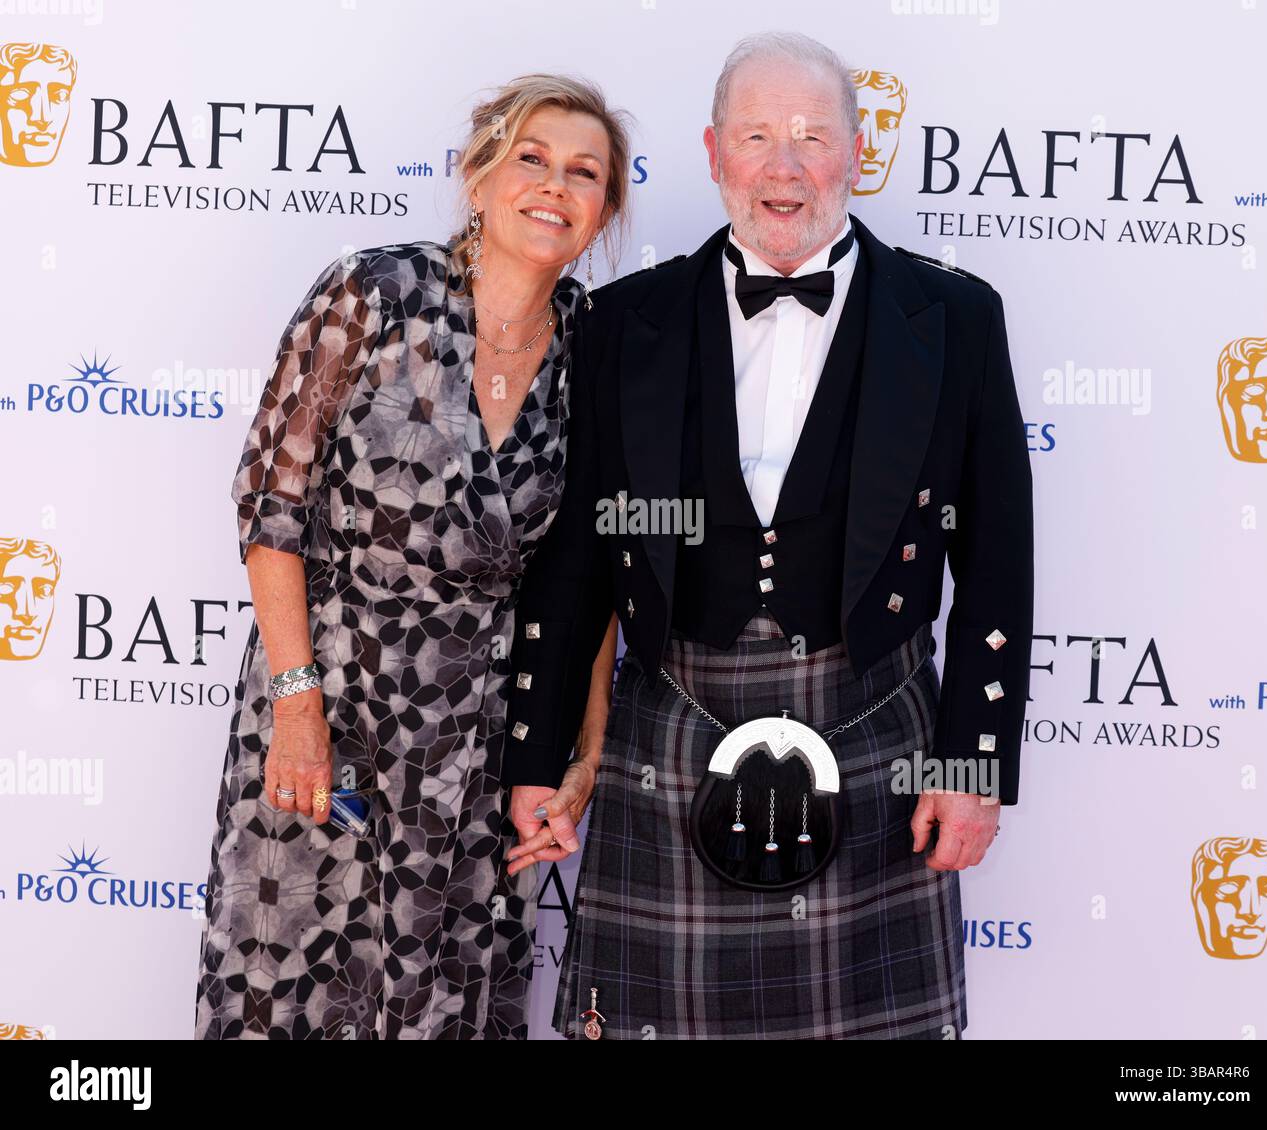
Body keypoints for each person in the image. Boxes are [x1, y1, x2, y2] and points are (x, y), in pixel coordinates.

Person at [504, 31, 1034, 1040]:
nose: (783, 169)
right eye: (755, 137)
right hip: (668, 731)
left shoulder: (954, 318)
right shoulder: (623, 322)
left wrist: (971, 764)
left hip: (875, 729)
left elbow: (997, 568)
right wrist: (533, 754)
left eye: (810, 137)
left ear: (856, 151)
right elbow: (578, 560)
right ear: (712, 154)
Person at [194, 74, 630, 1039]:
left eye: (584, 172)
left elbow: (591, 571)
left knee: (449, 1000)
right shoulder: (377, 293)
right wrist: (295, 708)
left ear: (604, 211)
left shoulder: (592, 347)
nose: (554, 185)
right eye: (531, 158)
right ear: (478, 177)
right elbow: (271, 510)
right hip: (334, 715)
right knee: (295, 982)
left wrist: (583, 745)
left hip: (483, 736)